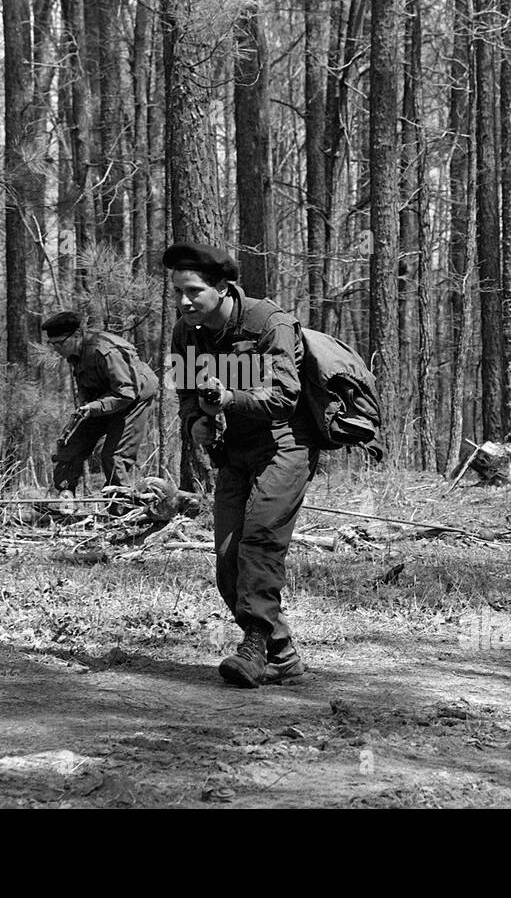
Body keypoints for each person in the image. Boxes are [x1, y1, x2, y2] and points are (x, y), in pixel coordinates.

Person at [165, 242, 317, 689]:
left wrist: (230, 397)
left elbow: (284, 396)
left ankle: (253, 647)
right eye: (177, 292)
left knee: (260, 540)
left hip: (286, 442)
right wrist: (197, 421)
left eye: (193, 291)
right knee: (228, 556)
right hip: (236, 447)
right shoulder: (186, 333)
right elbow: (187, 394)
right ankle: (283, 656)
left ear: (223, 287)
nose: (184, 301)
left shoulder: (268, 322)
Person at [43, 311, 159, 498]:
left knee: (114, 455)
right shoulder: (75, 352)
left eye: (60, 343)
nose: (56, 348)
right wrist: (87, 407)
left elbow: (127, 392)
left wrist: (94, 407)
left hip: (133, 399)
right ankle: (65, 500)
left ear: (77, 335)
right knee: (70, 446)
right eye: (52, 344)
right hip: (104, 399)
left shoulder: (106, 351)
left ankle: (121, 507)